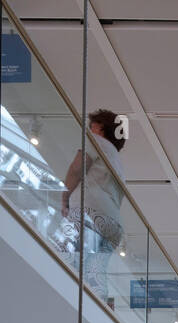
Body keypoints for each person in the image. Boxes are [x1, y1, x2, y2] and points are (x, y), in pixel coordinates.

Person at [59, 108, 125, 306]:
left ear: (101, 128)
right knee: (95, 273)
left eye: (92, 125)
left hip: (88, 212)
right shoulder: (117, 161)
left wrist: (64, 197)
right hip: (113, 225)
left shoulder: (95, 141)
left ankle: (64, 304)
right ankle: (99, 310)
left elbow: (77, 169)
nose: (89, 128)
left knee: (64, 259)